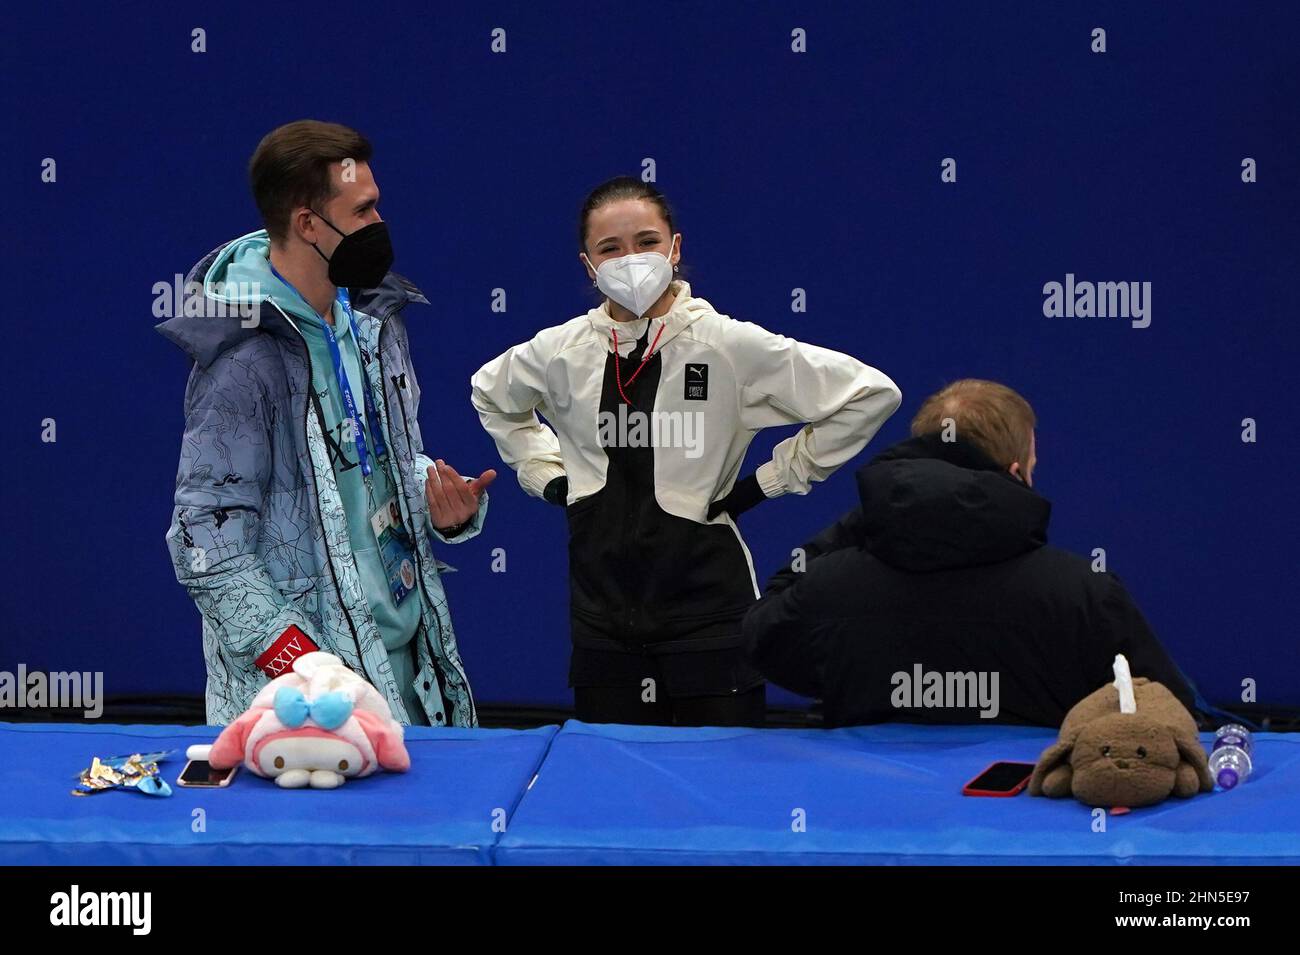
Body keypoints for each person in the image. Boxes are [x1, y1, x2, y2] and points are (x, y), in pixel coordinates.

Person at [470, 176, 901, 726]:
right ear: (588, 265)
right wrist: (546, 475)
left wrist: (767, 483)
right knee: (616, 794)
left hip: (710, 620)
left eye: (647, 241)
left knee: (721, 795)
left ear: (675, 248)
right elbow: (491, 393)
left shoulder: (727, 345)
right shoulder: (561, 351)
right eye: (610, 248)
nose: (631, 259)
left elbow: (870, 393)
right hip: (600, 622)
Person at [158, 120, 495, 727]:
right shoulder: (241, 360)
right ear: (308, 223)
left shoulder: (375, 319)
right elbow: (202, 541)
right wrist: (303, 667)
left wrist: (433, 497)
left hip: (410, 675)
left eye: (377, 205)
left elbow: (369, 467)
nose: (379, 225)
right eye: (363, 210)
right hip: (299, 709)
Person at [742, 378, 1199, 728]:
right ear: (1018, 473)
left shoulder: (829, 587)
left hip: (872, 835)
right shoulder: (1085, 594)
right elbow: (1170, 711)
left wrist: (870, 517)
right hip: (1031, 830)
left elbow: (764, 634)